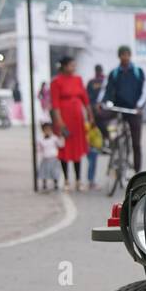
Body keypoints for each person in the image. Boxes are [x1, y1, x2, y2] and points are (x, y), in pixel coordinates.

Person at [49, 55, 91, 190]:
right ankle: (66, 180)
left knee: (77, 150)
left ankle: (78, 180)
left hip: (77, 120)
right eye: (71, 65)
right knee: (64, 150)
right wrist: (59, 122)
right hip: (64, 120)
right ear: (64, 66)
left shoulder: (78, 80)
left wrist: (90, 115)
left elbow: (85, 99)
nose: (74, 68)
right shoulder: (56, 82)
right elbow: (55, 104)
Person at [103, 46, 146, 171]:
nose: (125, 57)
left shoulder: (138, 72)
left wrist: (139, 106)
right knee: (105, 123)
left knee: (136, 144)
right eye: (123, 54)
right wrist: (105, 102)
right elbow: (108, 90)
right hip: (118, 109)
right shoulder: (114, 73)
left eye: (127, 54)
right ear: (119, 56)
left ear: (130, 55)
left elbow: (145, 91)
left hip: (134, 111)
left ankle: (138, 172)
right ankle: (111, 147)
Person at [37, 121, 63, 191]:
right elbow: (39, 149)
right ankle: (44, 184)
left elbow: (60, 145)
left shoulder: (54, 138)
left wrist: (61, 138)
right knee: (44, 172)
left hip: (53, 157)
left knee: (54, 171)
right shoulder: (40, 139)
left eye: (49, 129)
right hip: (45, 157)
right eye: (46, 129)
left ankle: (56, 183)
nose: (47, 131)